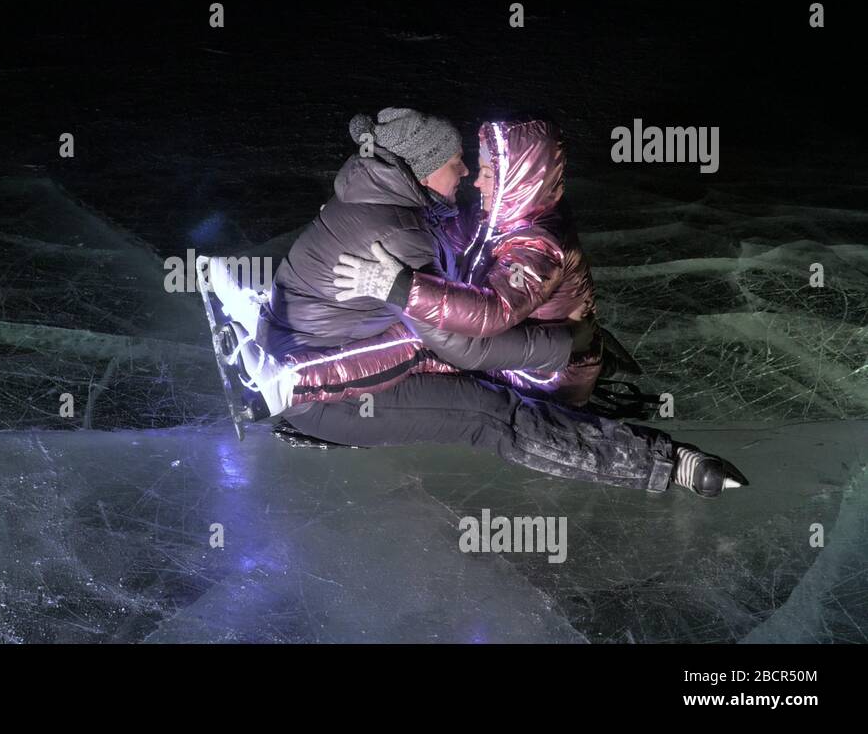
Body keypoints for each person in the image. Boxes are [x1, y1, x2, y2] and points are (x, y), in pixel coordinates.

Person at [208, 108, 748, 498]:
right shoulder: (437, 229)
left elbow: (469, 324)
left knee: (469, 389)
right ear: (419, 173)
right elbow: (457, 338)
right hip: (361, 388)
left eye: (484, 167)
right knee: (454, 381)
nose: (470, 175)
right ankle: (664, 465)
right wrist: (557, 345)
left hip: (518, 369)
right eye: (462, 163)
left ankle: (659, 461)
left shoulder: (515, 236)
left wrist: (566, 347)